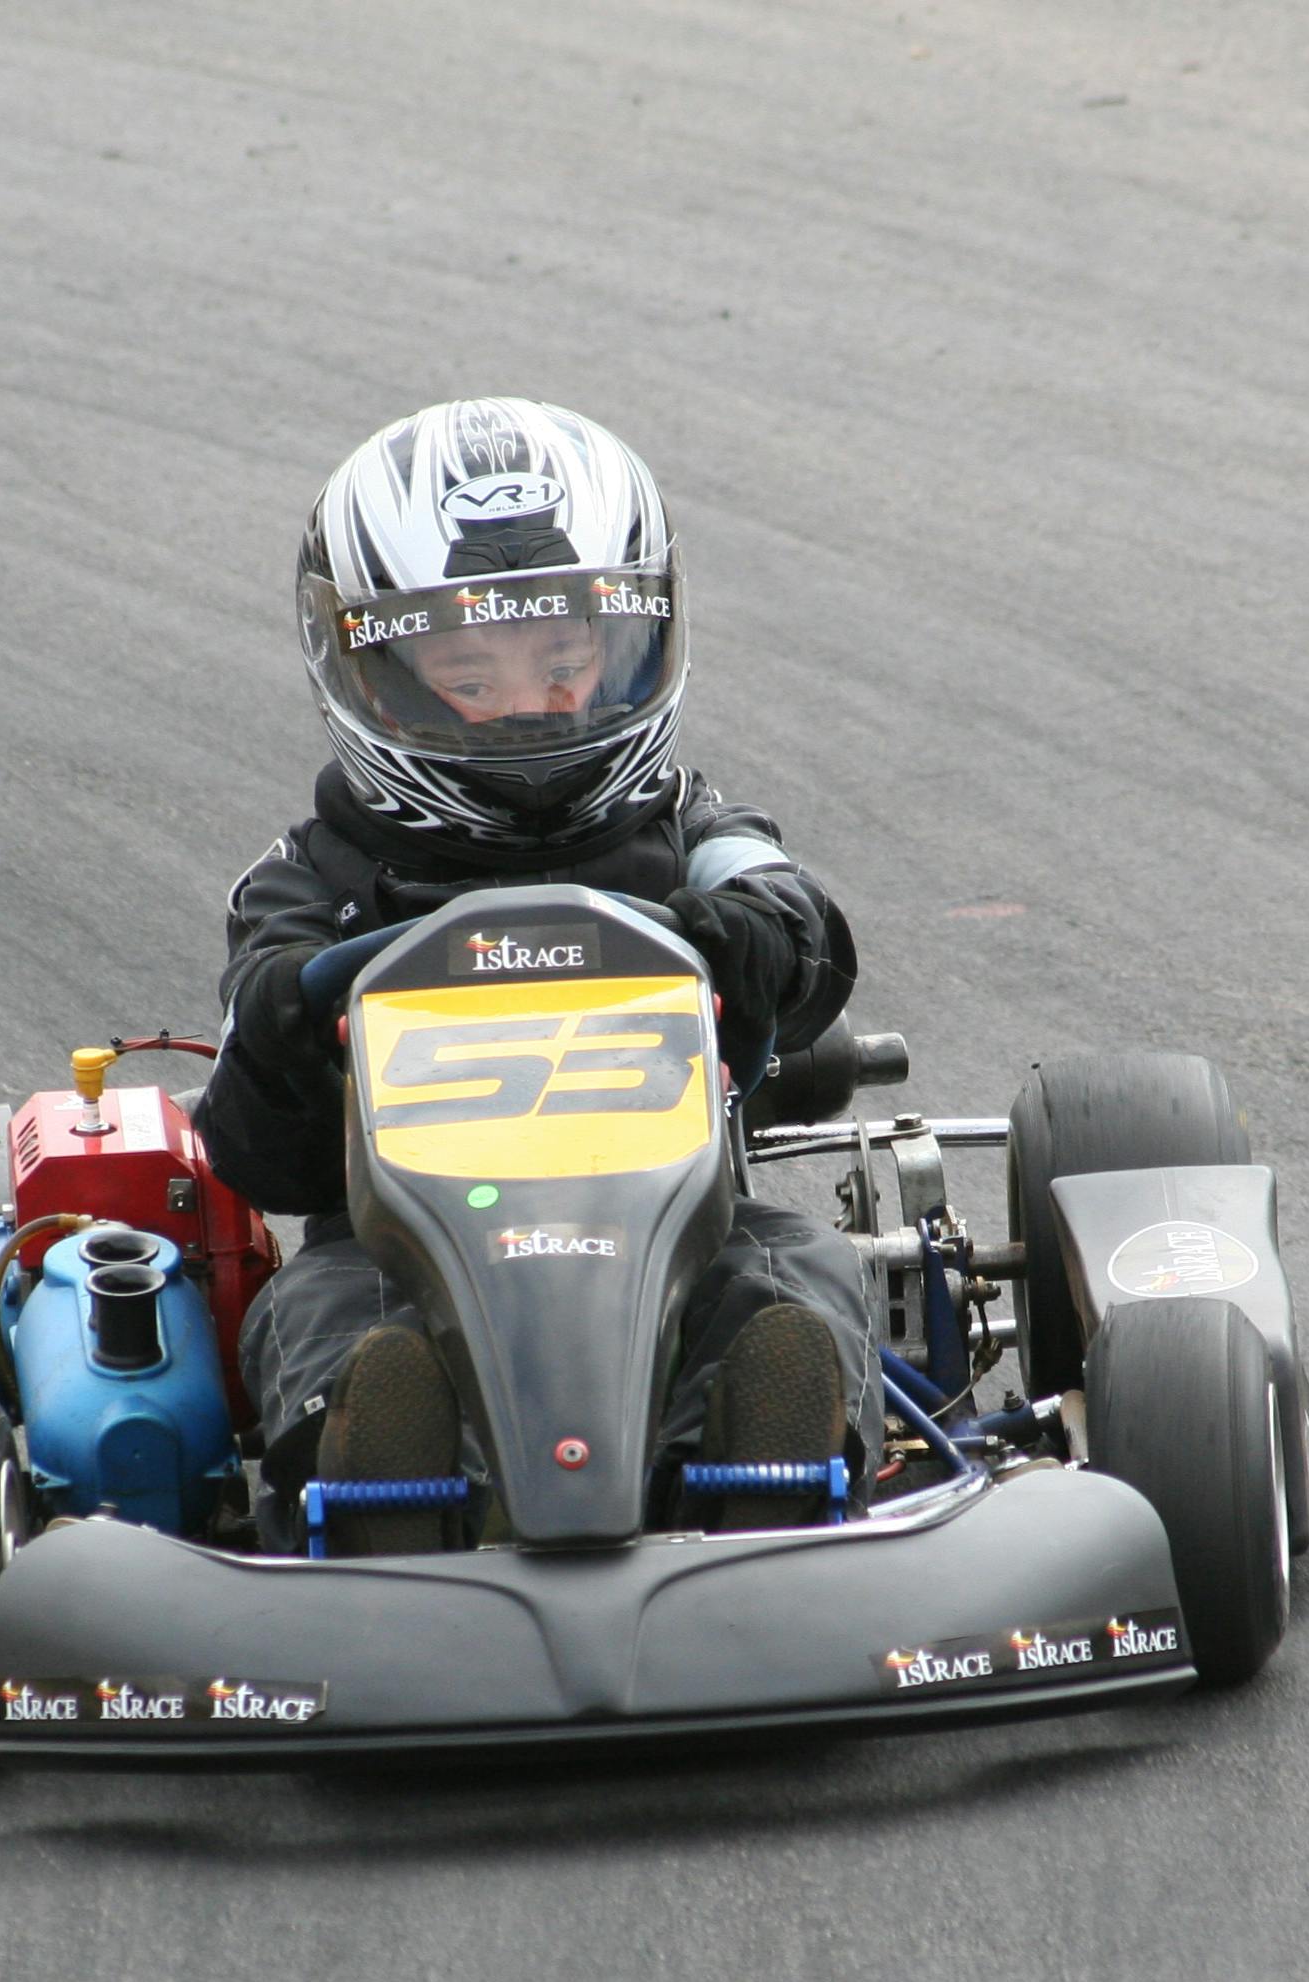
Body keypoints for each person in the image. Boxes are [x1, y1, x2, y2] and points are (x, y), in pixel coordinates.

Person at [199, 396, 879, 1551]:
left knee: (796, 1273)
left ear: (633, 642)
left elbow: (796, 919)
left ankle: (753, 1485)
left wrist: (744, 939)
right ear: (373, 676)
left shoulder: (690, 825)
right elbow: (255, 1148)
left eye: (565, 661)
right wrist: (290, 1017)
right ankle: (382, 1494)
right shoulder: (309, 883)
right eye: (471, 673)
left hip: (679, 1231)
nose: (529, 706)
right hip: (399, 1251)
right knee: (320, 1317)